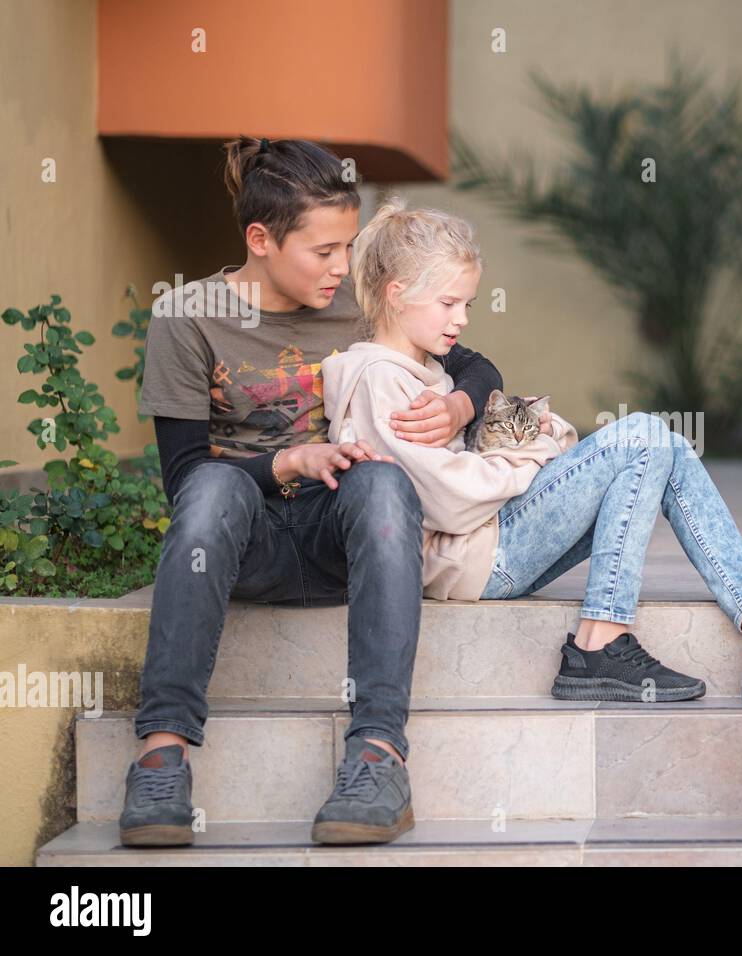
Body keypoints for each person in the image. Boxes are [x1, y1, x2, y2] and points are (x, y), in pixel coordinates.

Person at [119, 137, 505, 848]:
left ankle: (377, 757)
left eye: (348, 246)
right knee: (208, 489)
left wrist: (460, 405)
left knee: (385, 481)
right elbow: (181, 479)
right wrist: (288, 462)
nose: (340, 267)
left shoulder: (357, 302)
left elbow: (476, 363)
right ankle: (160, 759)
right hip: (248, 540)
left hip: (342, 534)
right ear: (260, 239)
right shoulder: (188, 315)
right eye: (322, 251)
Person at [322, 198, 742, 706]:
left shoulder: (428, 367)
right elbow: (447, 498)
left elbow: (477, 458)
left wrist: (529, 438)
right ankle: (601, 642)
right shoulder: (378, 381)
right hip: (479, 556)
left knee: (666, 448)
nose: (461, 320)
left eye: (468, 305)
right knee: (645, 435)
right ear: (396, 294)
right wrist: (531, 455)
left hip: (493, 540)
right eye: (448, 303)